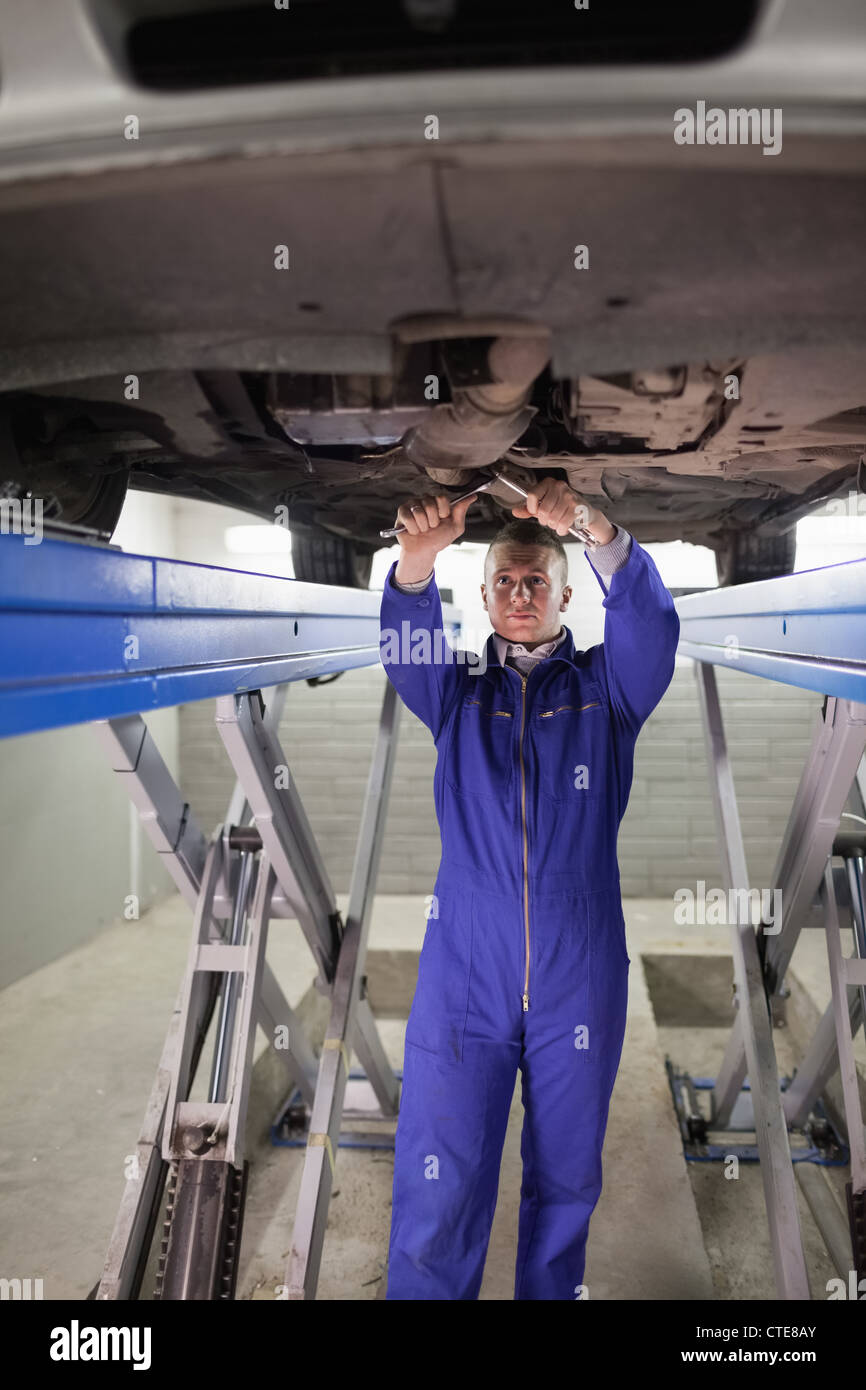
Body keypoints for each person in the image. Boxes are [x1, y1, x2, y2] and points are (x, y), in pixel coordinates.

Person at [378, 476, 680, 1299]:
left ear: (564, 592)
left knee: (567, 1180)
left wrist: (593, 523)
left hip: (578, 973)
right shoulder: (457, 697)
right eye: (505, 581)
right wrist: (413, 568)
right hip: (465, 971)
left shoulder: (604, 695)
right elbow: (405, 647)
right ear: (481, 596)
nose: (519, 593)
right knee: (441, 1178)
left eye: (535, 580)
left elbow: (651, 628)